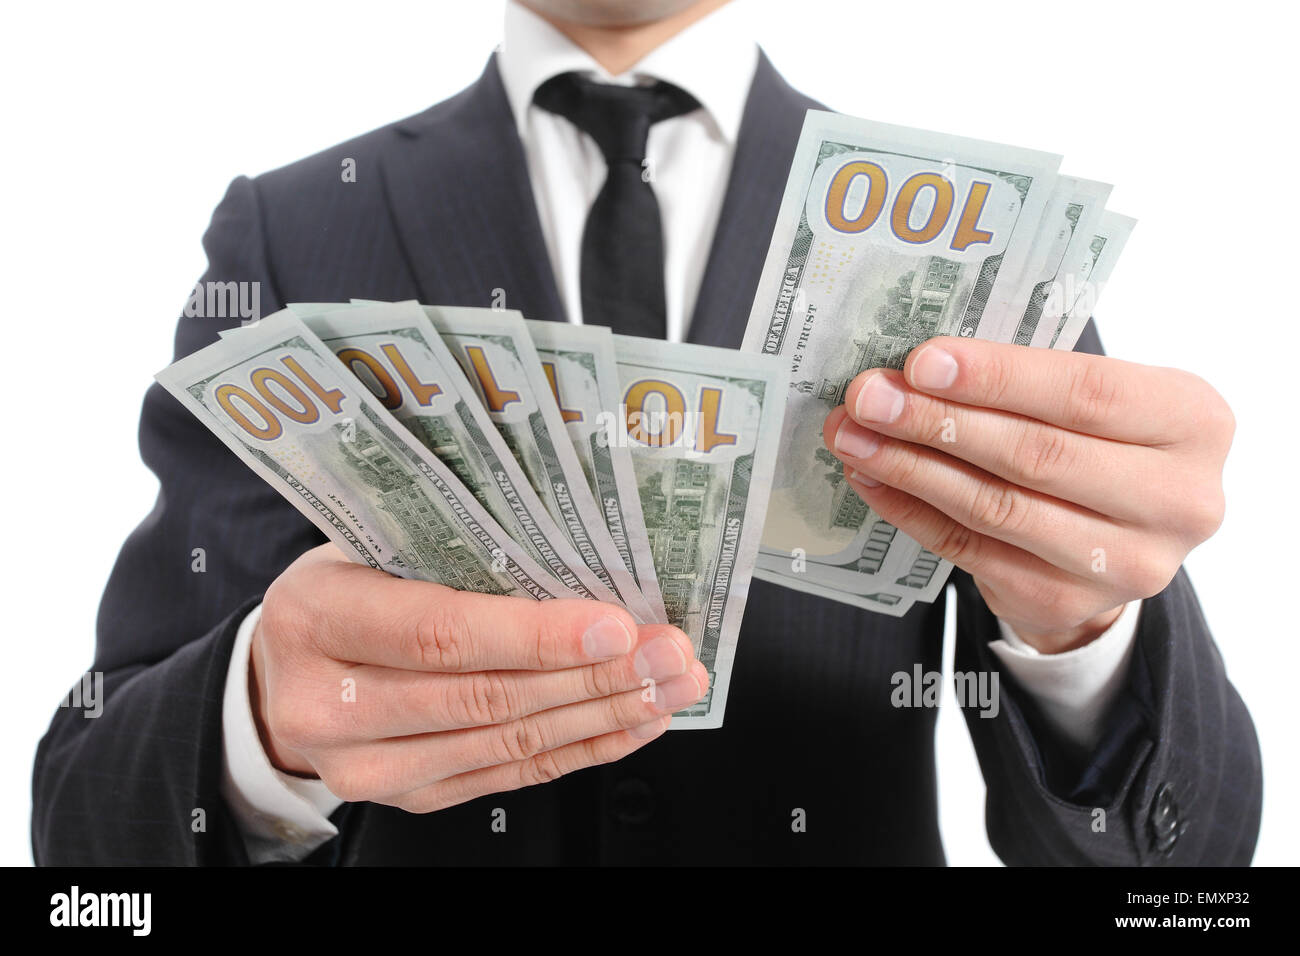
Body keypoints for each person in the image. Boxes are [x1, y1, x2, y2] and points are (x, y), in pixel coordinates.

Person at [33, 0, 1260, 865]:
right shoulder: (292, 228)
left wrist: (1085, 630)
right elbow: (83, 829)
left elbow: (1182, 869)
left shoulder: (986, 249)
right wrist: (259, 724)